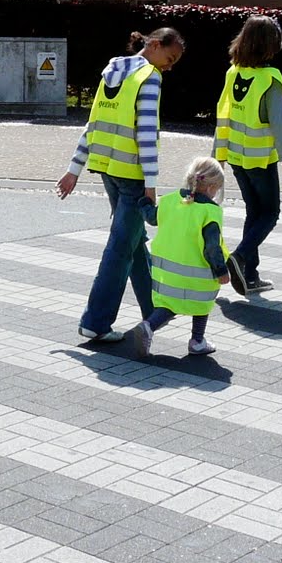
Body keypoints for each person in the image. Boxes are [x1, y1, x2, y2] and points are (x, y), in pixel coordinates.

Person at [56, 27, 185, 342]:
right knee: (120, 248)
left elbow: (93, 124)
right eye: (169, 59)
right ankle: (96, 322)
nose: (168, 67)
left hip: (106, 168)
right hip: (132, 175)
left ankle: (154, 311)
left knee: (133, 242)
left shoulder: (112, 72)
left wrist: (74, 168)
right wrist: (151, 185)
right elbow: (147, 134)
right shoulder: (149, 78)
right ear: (154, 45)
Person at [212, 16, 282, 295]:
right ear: (270, 43)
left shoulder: (233, 72)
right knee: (270, 213)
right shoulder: (270, 78)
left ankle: (249, 274)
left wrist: (217, 155)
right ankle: (241, 257)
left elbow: (222, 115)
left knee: (253, 212)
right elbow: (278, 124)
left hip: (236, 156)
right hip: (261, 159)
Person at [126, 156, 229, 357]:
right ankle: (197, 341)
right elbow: (212, 247)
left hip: (166, 274)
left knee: (170, 305)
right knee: (202, 302)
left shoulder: (170, 200)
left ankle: (148, 326)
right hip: (197, 273)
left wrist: (144, 202)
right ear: (212, 187)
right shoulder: (210, 211)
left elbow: (152, 217)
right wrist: (221, 271)